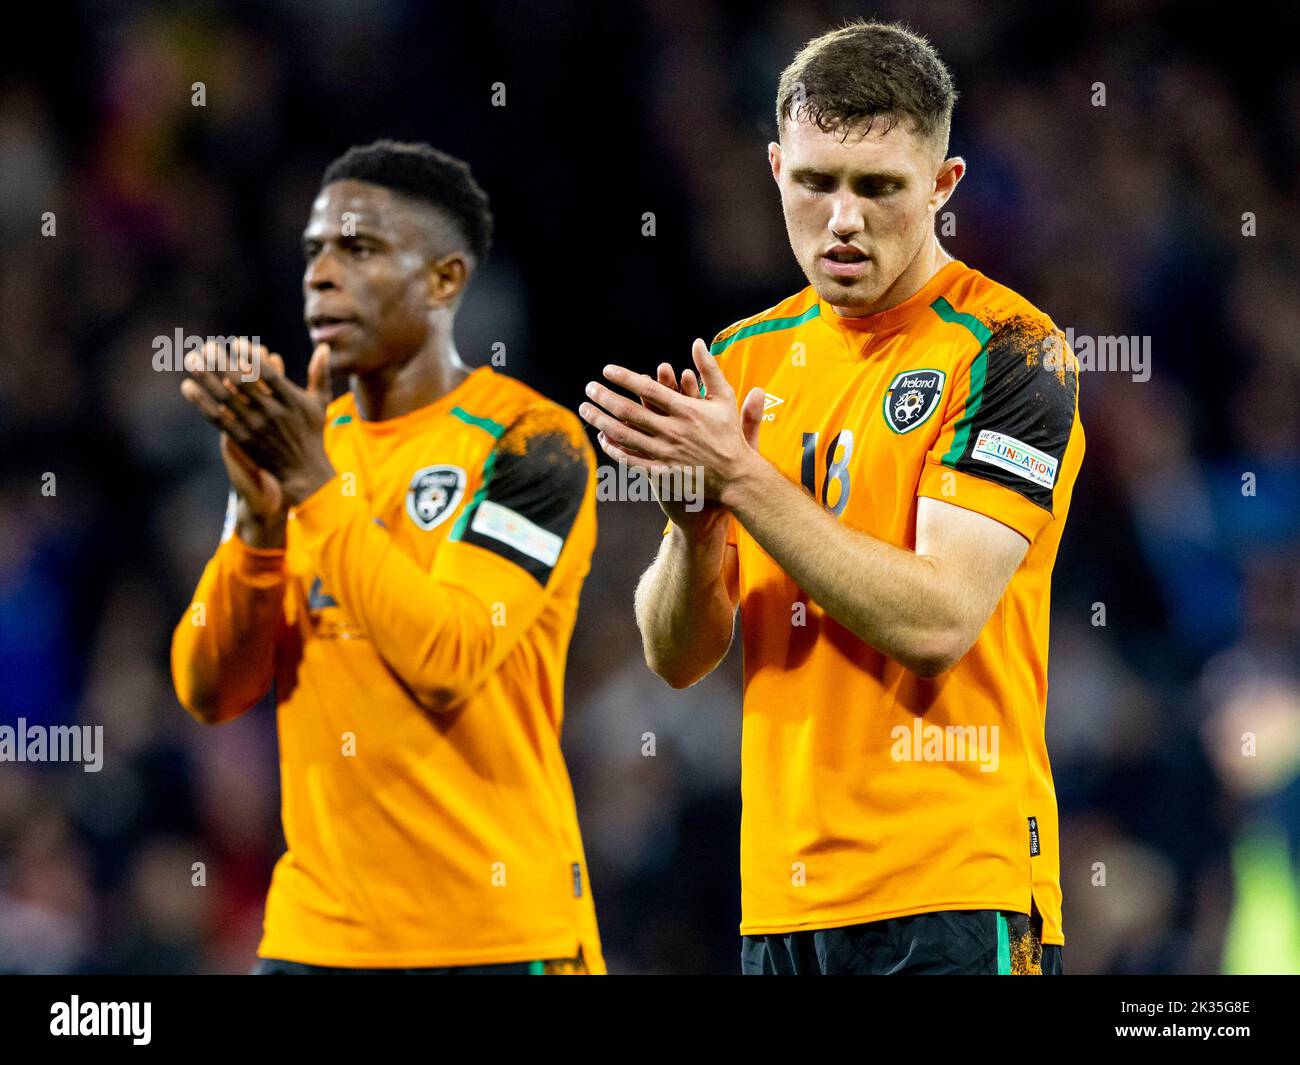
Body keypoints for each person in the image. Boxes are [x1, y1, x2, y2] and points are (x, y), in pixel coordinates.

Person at [578, 21, 1083, 974]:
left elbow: (939, 620)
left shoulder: (1013, 350)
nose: (842, 218)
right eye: (815, 182)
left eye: (879, 187)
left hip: (955, 891)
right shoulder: (742, 361)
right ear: (775, 168)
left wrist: (740, 479)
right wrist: (693, 532)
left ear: (942, 186)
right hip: (781, 899)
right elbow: (676, 656)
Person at [171, 140, 604, 974]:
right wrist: (259, 533)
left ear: (445, 280)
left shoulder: (533, 440)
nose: (321, 274)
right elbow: (206, 689)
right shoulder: (306, 448)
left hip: (498, 940)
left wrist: (309, 485)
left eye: (358, 248)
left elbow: (448, 655)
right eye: (313, 252)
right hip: (313, 939)